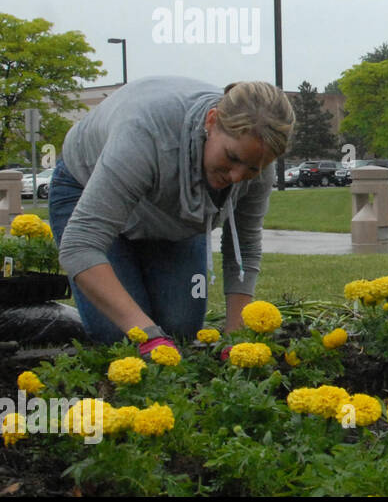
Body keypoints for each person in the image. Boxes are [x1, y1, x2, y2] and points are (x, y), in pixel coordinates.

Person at [50, 78, 295, 353]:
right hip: (85, 185)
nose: (237, 177)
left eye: (251, 168)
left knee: (181, 329)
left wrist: (235, 336)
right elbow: (80, 246)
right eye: (232, 157)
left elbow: (244, 249)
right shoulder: (145, 135)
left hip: (171, 214)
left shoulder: (257, 163)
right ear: (212, 121)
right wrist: (149, 336)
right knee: (121, 337)